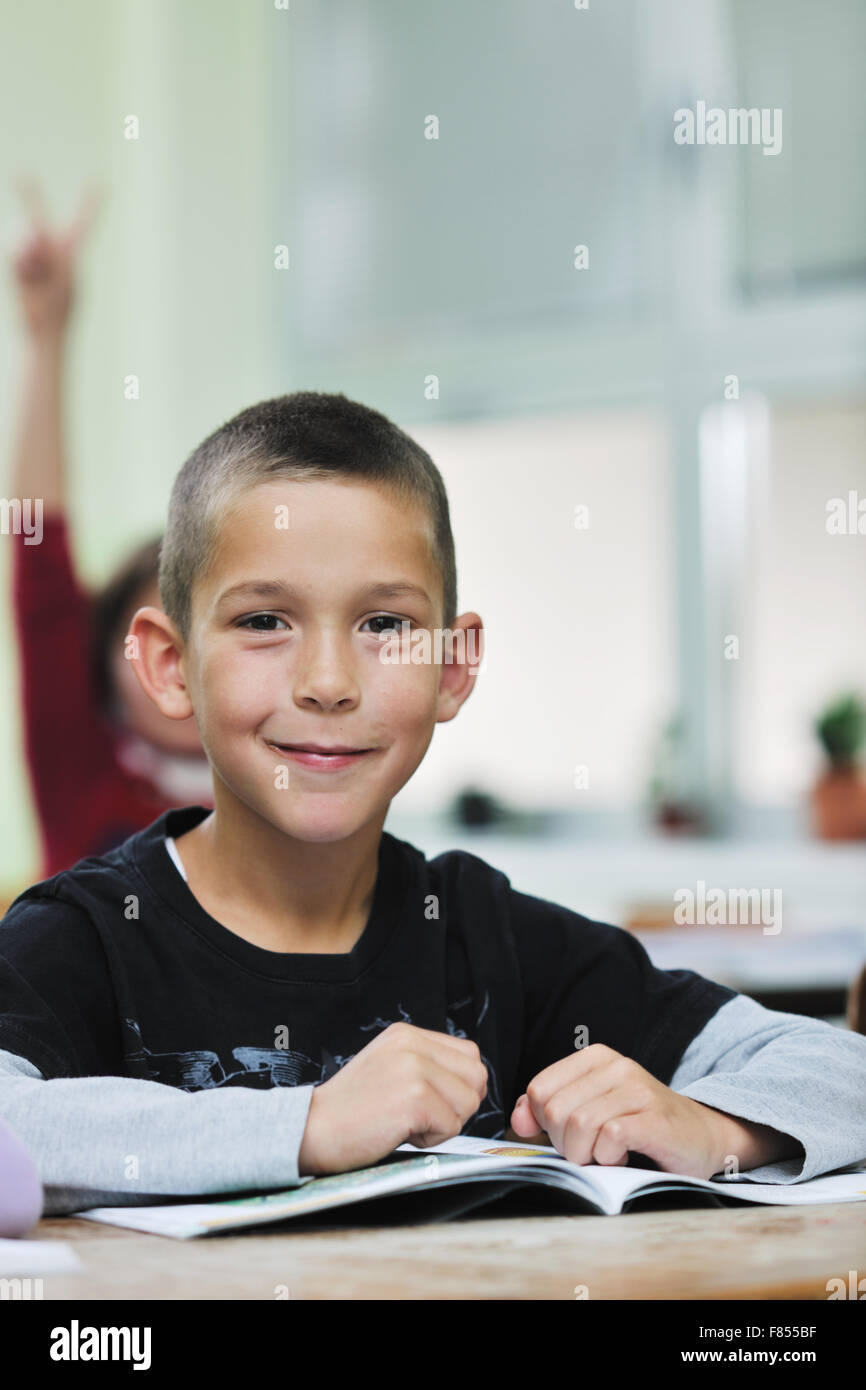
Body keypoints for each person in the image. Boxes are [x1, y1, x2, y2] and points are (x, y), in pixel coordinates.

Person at [0, 391, 864, 1217]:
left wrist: (712, 1127)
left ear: (453, 666)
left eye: (384, 626)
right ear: (166, 666)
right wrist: (306, 1126)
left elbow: (839, 1069)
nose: (329, 683)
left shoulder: (492, 941)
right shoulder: (87, 935)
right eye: (265, 620)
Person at [7, 179, 212, 880]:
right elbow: (37, 551)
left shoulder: (297, 798)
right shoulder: (82, 771)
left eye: (220, 627)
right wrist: (48, 340)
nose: (178, 667)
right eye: (155, 638)